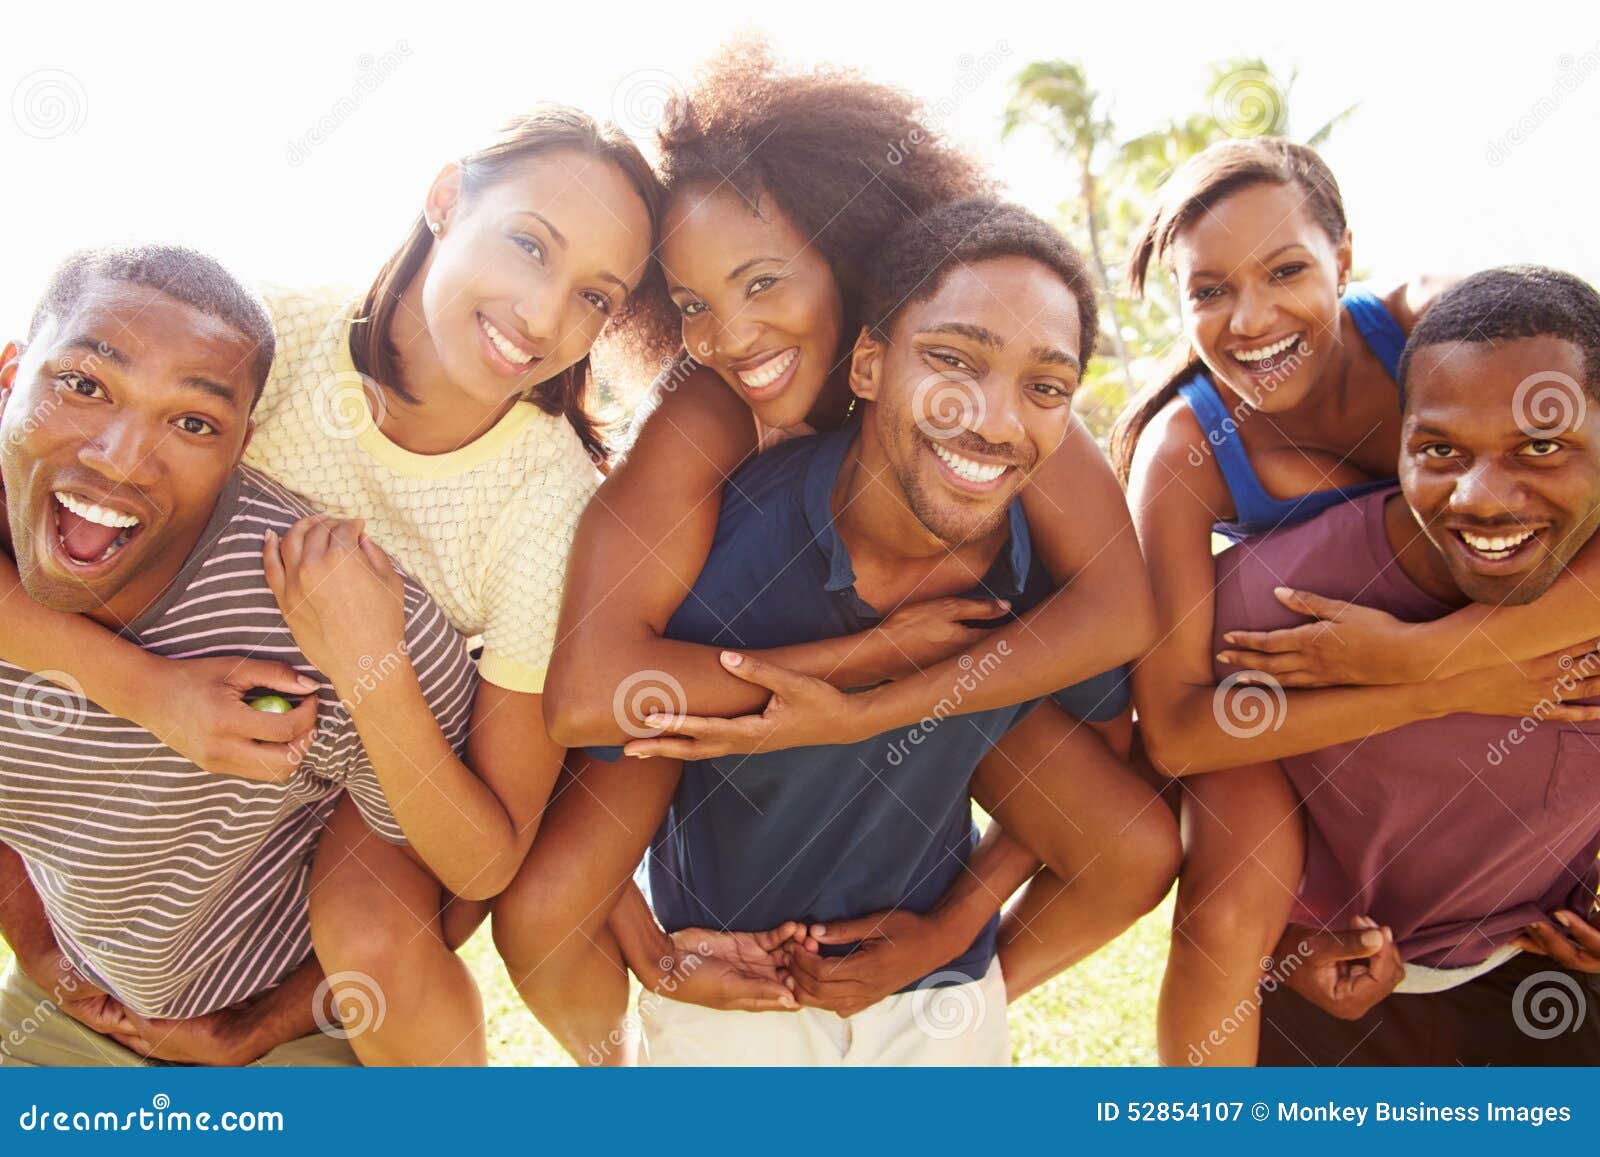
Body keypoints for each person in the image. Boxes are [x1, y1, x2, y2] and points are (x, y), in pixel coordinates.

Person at [493, 44, 1172, 1064]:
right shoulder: (709, 403)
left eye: (762, 280)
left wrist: (944, 916)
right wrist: (857, 663)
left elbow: (1119, 609)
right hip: (731, 646)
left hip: (951, 676)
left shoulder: (991, 389)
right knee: (547, 905)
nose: (728, 333)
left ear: (847, 253)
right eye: (689, 303)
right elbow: (592, 689)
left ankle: (950, 998)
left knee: (1133, 844)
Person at [0, 106, 661, 1064]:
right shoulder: (266, 341)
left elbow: (484, 855)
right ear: (444, 200)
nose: (546, 317)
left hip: (390, 761)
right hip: (190, 685)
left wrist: (369, 665)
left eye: (596, 297)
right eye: (529, 245)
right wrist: (147, 691)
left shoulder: (549, 507)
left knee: (370, 932)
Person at [0, 245, 475, 1066]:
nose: (118, 454)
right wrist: (33, 938)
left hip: (299, 1031)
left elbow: (452, 875)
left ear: (240, 446)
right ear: (10, 373)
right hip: (74, 1009)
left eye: (192, 422)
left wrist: (253, 1028)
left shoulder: (329, 613)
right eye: (83, 384)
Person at [1111, 136, 1456, 1064]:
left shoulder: (1433, 329)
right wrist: (1436, 684)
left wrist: (1442, 661)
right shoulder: (1184, 450)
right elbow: (1177, 729)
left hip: (1441, 643)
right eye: (1209, 290)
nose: (1250, 317)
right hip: (1285, 690)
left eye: (1287, 269)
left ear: (1344, 256)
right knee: (1224, 913)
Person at [1211, 266, 1600, 1064]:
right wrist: (1280, 938)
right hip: (1326, 1003)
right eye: (1440, 449)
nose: (1483, 497)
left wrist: (1420, 660)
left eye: (1540, 445)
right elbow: (1190, 805)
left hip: (1546, 978)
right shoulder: (1272, 603)